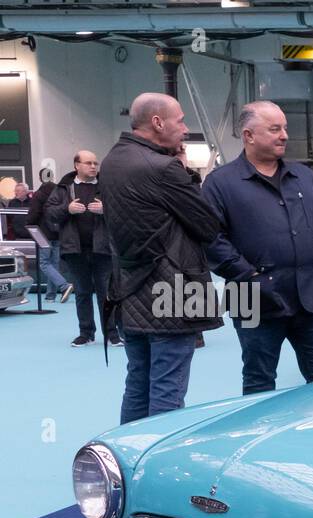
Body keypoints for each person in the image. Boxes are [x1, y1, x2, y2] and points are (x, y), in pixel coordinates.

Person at [203, 100, 313, 395]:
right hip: (251, 298)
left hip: (311, 296)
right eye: (275, 129)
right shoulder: (219, 183)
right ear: (248, 135)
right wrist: (250, 277)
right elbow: (211, 240)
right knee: (258, 381)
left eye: (285, 128)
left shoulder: (303, 176)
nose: (284, 135)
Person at [99, 92, 224, 423]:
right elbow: (208, 224)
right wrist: (185, 174)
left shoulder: (112, 160)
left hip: (129, 289)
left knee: (138, 385)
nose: (185, 129)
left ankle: (127, 460)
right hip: (172, 293)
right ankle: (156, 465)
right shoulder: (164, 168)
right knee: (168, 390)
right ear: (157, 122)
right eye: (180, 120)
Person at [45, 151, 118, 347]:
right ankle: (86, 333)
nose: (94, 166)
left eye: (96, 163)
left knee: (107, 294)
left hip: (103, 249)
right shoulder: (62, 189)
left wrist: (106, 210)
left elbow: (124, 210)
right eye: (88, 163)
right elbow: (49, 213)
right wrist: (66, 209)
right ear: (77, 165)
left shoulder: (107, 186)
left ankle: (112, 334)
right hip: (74, 250)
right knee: (83, 293)